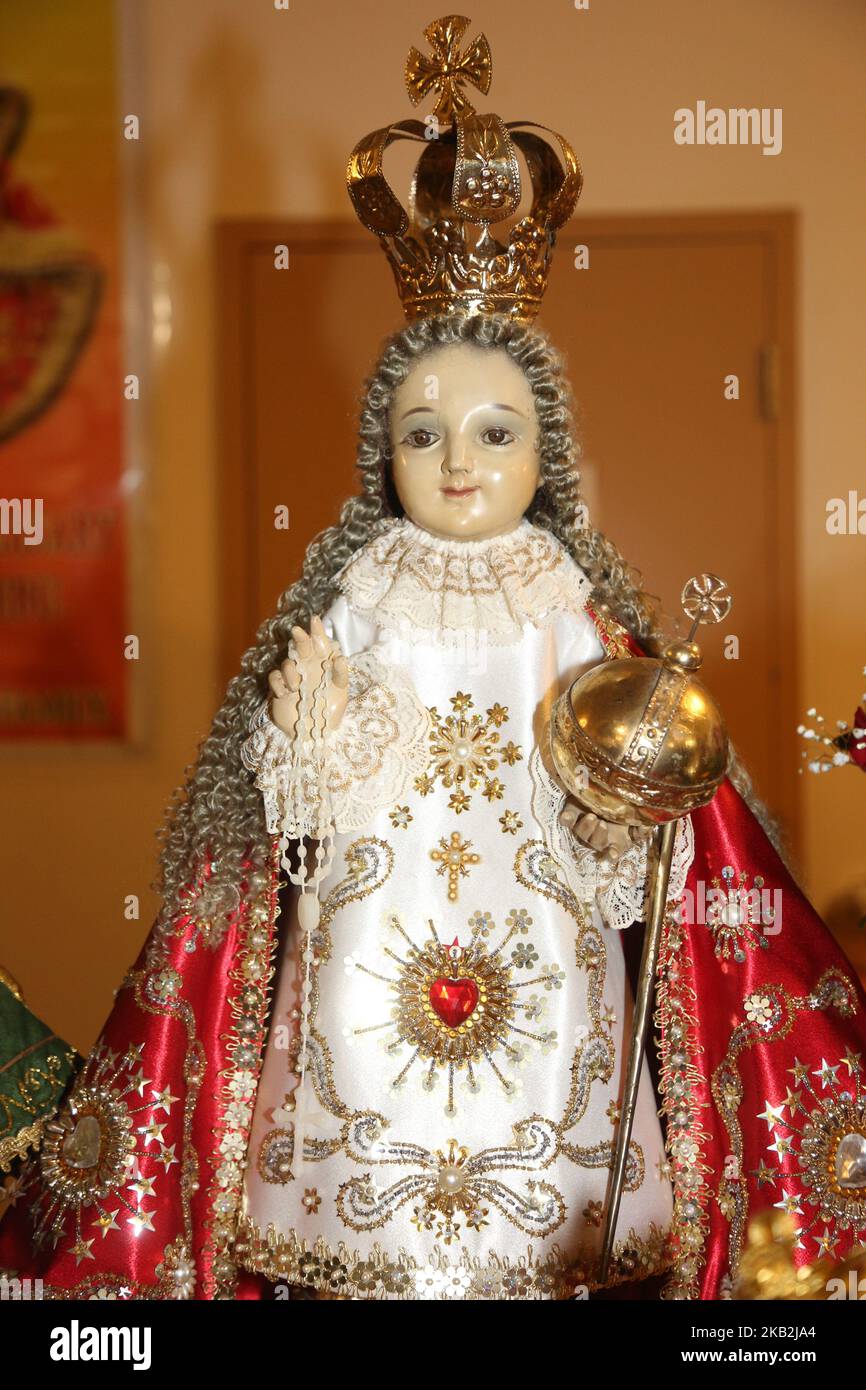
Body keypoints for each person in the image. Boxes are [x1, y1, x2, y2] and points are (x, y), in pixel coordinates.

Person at [1, 15, 864, 1302]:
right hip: (373, 940)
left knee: (556, 1170)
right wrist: (308, 736)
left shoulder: (575, 605)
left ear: (543, 452)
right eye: (423, 432)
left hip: (539, 948)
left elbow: (643, 829)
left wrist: (620, 801)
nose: (458, 461)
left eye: (493, 430)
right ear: (383, 454)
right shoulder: (354, 592)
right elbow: (289, 824)